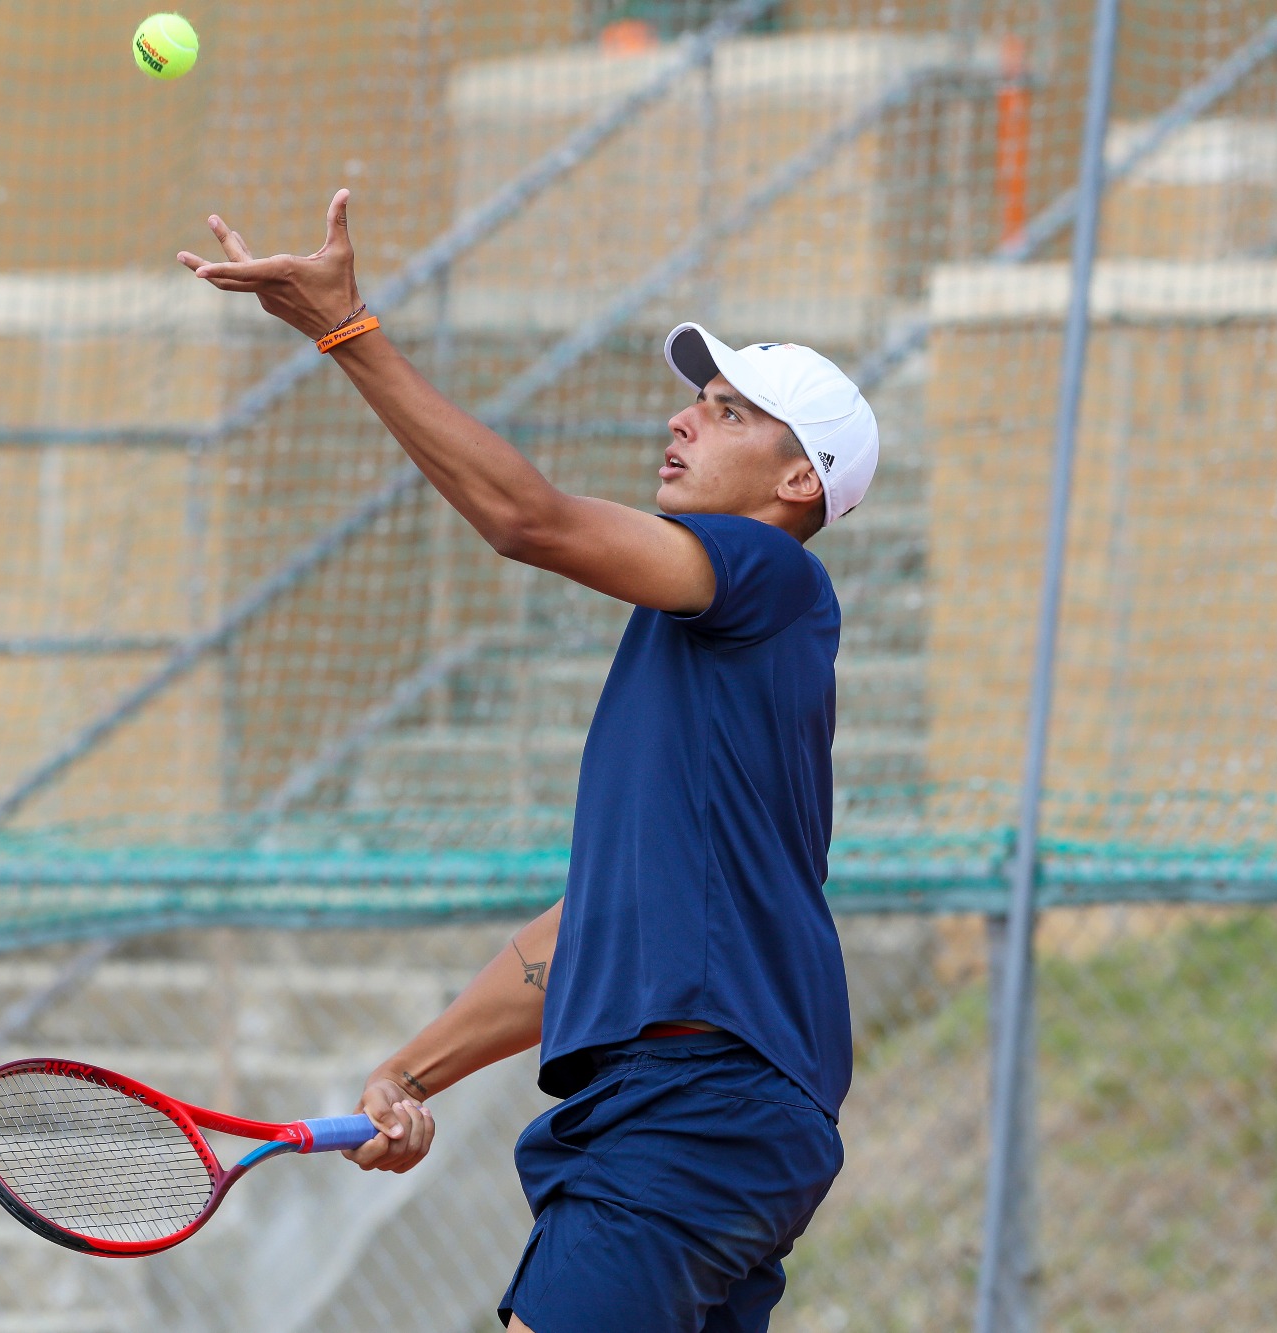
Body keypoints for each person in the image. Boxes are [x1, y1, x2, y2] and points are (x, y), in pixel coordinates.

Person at [182, 189, 879, 1332]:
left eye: (727, 412)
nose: (684, 421)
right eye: (693, 401)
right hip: (718, 1109)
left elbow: (526, 520)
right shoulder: (704, 649)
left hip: (700, 1101)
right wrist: (409, 1073)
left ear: (797, 483)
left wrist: (347, 334)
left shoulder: (769, 574)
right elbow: (582, 935)